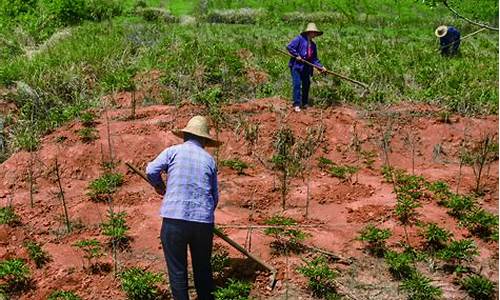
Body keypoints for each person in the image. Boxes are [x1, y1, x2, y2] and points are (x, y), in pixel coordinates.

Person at [146, 115, 220, 300]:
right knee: (203, 269)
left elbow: (151, 170)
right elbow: (215, 196)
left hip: (174, 221)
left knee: (178, 272)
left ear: (185, 136)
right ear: (204, 140)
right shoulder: (209, 160)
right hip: (202, 223)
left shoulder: (173, 152)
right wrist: (203, 214)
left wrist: (160, 186)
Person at [287, 22, 327, 112]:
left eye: (315, 32)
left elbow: (314, 59)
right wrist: (297, 55)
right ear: (309, 32)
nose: (314, 34)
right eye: (313, 32)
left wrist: (321, 67)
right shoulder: (299, 39)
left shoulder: (313, 45)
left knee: (306, 84)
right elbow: (290, 47)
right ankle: (296, 104)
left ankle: (304, 103)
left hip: (306, 68)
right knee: (297, 84)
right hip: (296, 66)